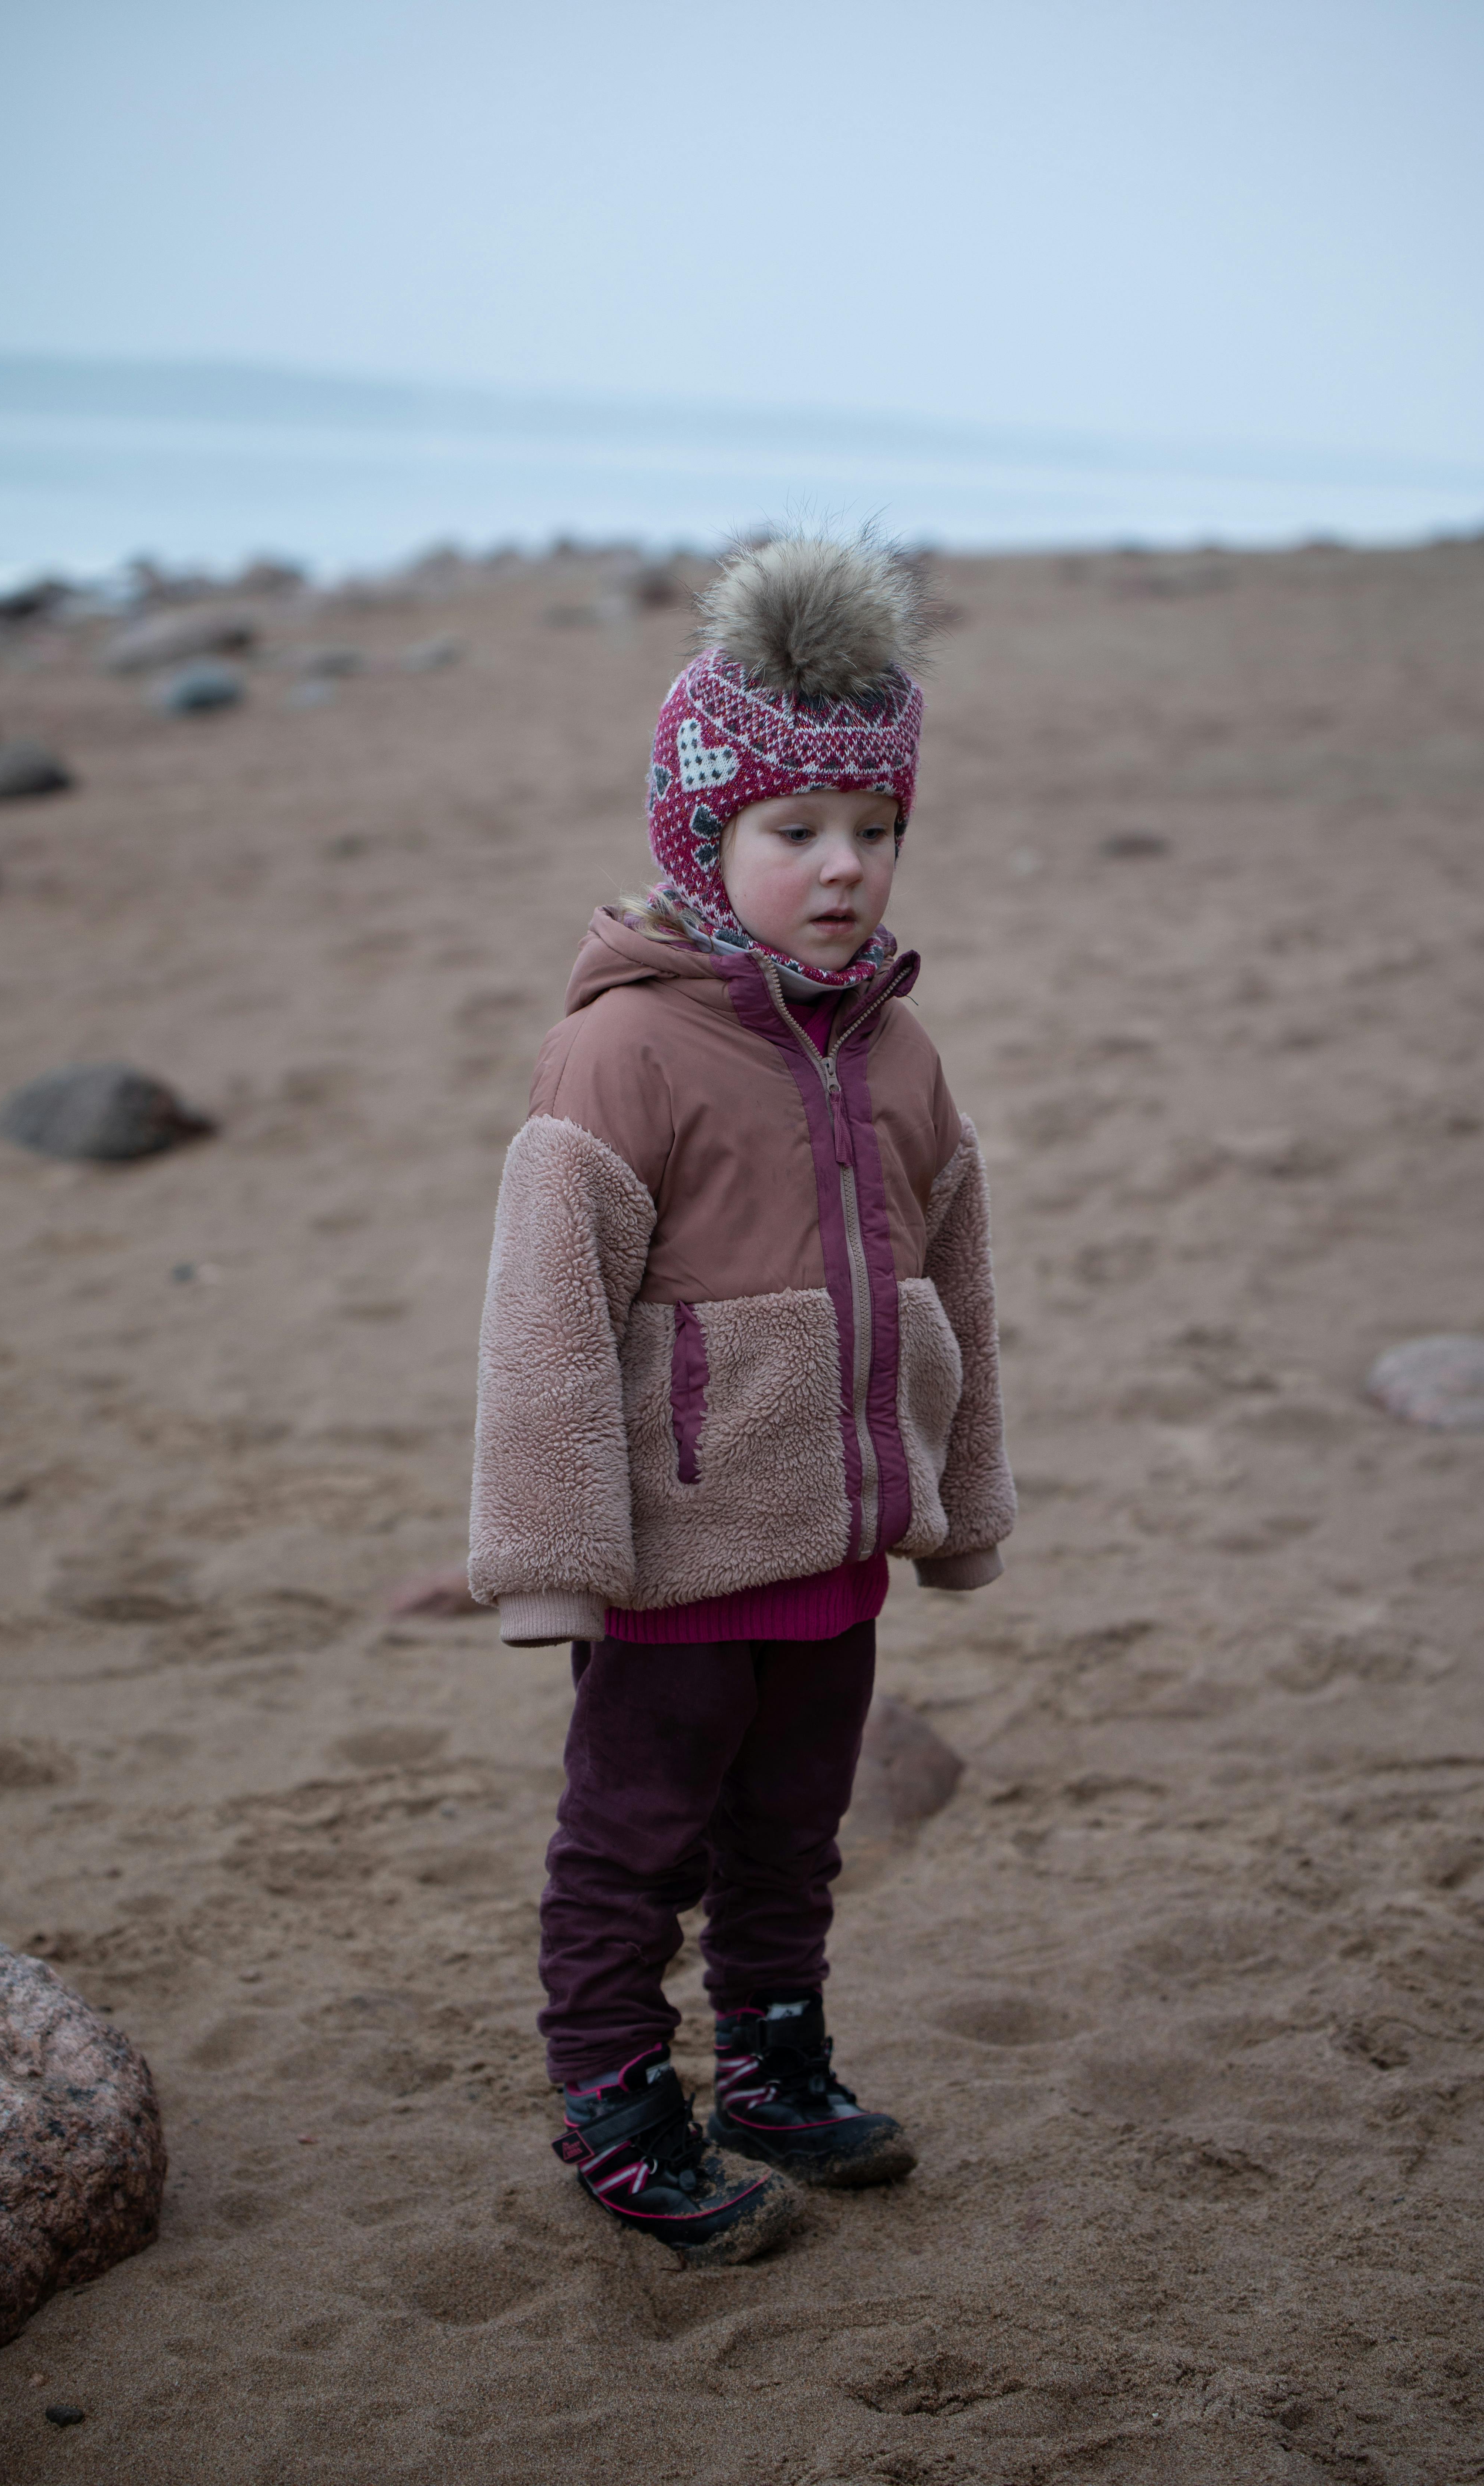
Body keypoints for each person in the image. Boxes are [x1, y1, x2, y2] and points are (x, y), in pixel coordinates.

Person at [468, 528, 1015, 2266]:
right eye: (795, 833)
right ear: (702, 841)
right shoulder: (622, 1051)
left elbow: (959, 1286)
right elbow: (545, 1325)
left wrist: (961, 1511)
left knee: (794, 1832)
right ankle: (619, 2100)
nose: (842, 868)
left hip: (837, 1538)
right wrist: (557, 1563)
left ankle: (776, 2066)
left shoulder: (899, 1049)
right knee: (631, 1839)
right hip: (677, 1556)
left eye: (874, 831)